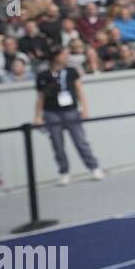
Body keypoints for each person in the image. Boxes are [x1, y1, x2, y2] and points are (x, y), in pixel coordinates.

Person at [34, 48, 104, 186]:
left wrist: (84, 108)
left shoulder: (71, 71)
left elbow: (80, 91)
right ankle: (64, 172)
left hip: (71, 110)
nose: (66, 57)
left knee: (80, 141)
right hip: (51, 112)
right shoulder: (43, 75)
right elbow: (40, 98)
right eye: (63, 54)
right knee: (57, 144)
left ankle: (93, 167)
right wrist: (38, 116)